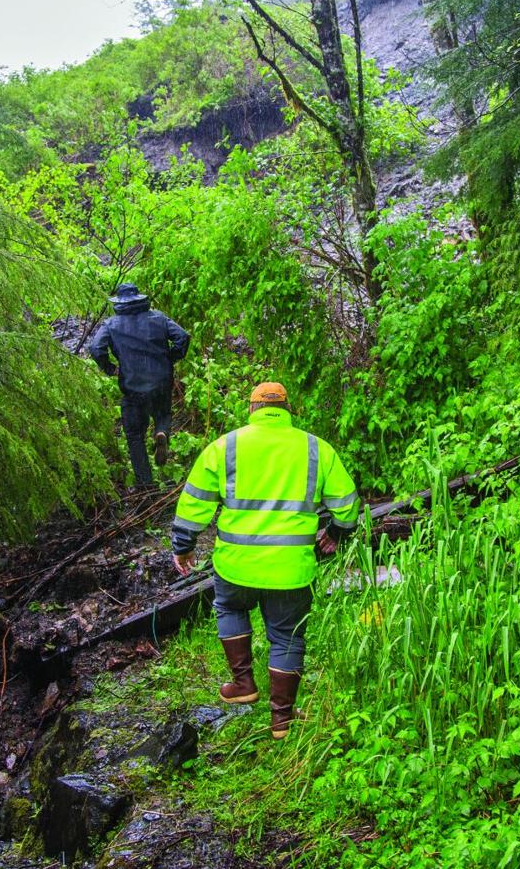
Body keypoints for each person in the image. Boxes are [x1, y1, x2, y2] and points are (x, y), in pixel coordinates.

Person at [170, 382, 361, 739]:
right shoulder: (315, 449)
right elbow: (348, 506)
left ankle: (243, 682)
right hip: (291, 571)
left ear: (252, 410)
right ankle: (282, 721)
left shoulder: (225, 447)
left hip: (236, 565)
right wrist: (335, 533)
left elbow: (194, 501)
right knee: (287, 638)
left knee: (228, 607)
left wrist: (184, 545)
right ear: (288, 409)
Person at [89, 282, 191, 488]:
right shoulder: (158, 318)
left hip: (132, 386)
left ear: (119, 302)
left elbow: (95, 348)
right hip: (161, 381)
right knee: (162, 414)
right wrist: (170, 358)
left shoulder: (111, 324)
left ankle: (146, 484)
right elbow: (183, 336)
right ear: (139, 299)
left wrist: (110, 368)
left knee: (135, 436)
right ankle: (161, 433)